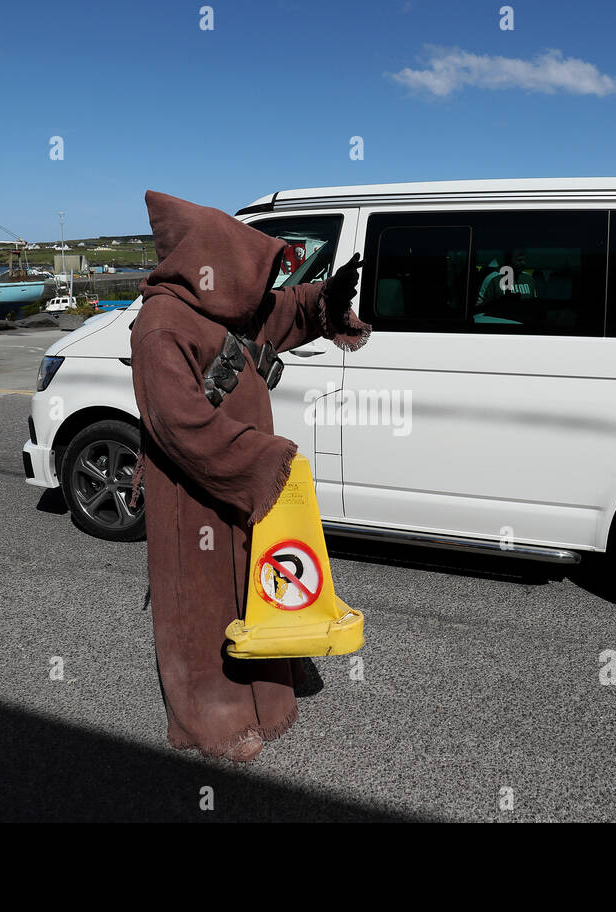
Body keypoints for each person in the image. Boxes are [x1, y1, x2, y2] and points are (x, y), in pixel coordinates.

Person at [129, 190, 369, 763]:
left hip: (240, 482)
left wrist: (324, 300)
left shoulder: (224, 306)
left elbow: (281, 311)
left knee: (253, 588)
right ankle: (213, 719)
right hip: (192, 489)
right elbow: (178, 423)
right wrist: (260, 460)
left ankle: (267, 699)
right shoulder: (161, 326)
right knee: (201, 597)